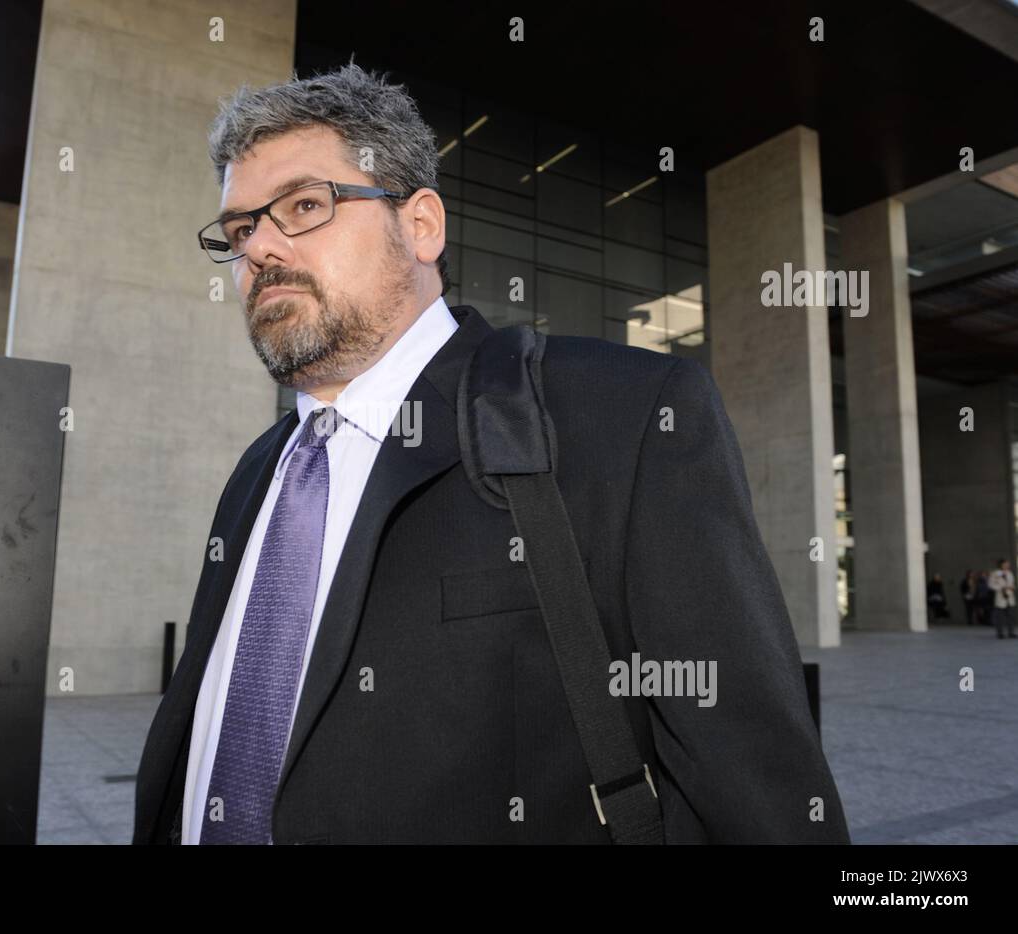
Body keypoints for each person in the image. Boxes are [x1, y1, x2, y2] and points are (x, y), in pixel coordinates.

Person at [133, 64, 849, 845]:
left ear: (422, 226)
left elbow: (761, 796)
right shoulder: (254, 477)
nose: (261, 249)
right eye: (240, 231)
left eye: (305, 205)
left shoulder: (624, 419)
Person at [987, 558, 1016, 639]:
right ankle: (1000, 633)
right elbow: (990, 585)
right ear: (1001, 565)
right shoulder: (995, 573)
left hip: (1009, 596)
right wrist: (1001, 587)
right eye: (1005, 564)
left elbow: (1012, 583)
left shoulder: (1010, 573)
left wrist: (1012, 587)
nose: (1007, 565)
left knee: (1011, 616)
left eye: (1008, 564)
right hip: (1000, 596)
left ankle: (1011, 632)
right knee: (999, 617)